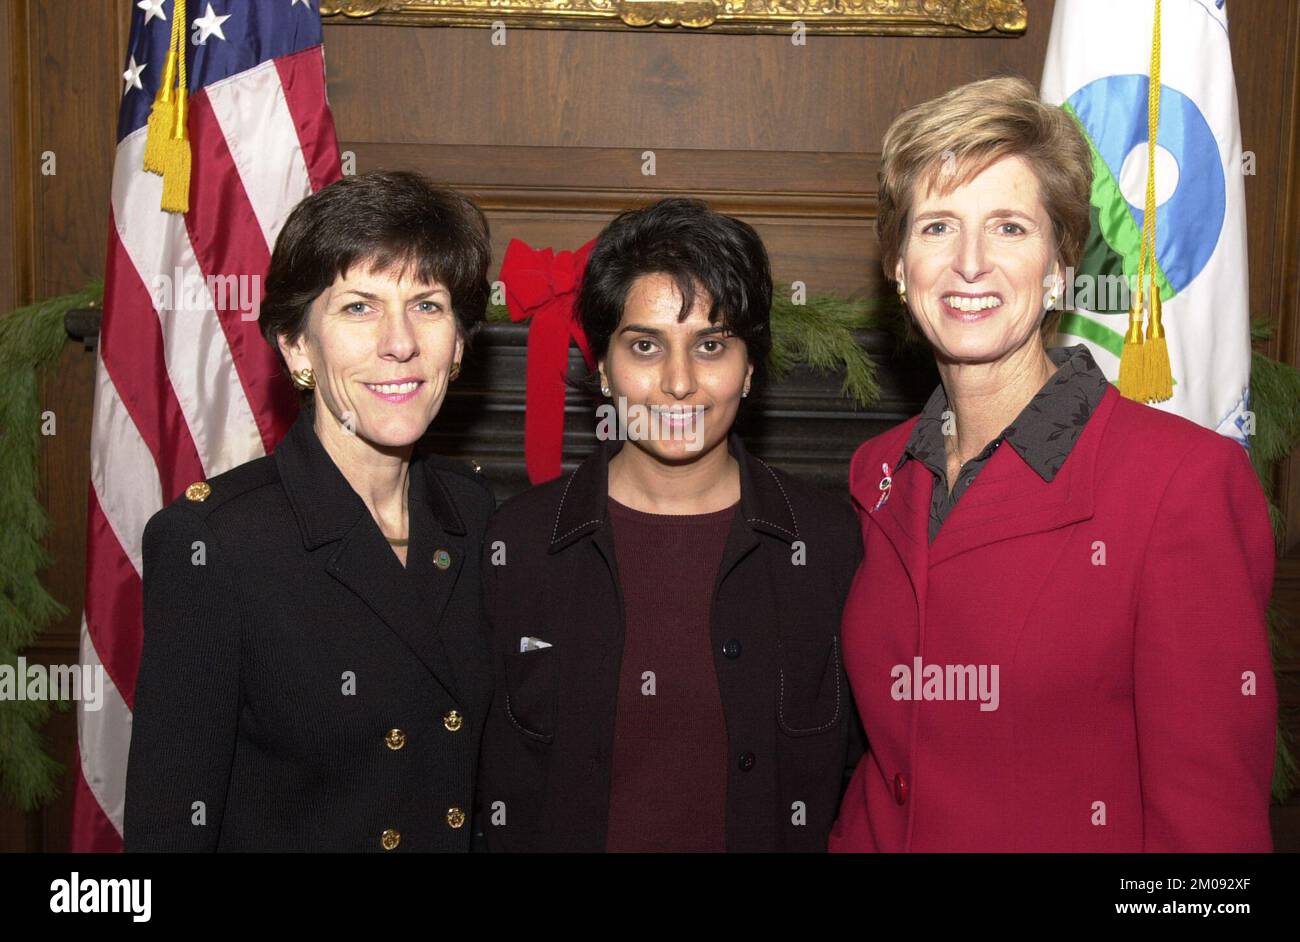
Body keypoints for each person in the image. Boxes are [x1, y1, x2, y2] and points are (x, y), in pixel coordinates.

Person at [831, 76, 1277, 852]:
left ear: (1062, 267)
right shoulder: (878, 475)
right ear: (899, 267)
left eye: (1008, 227)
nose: (969, 263)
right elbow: (888, 768)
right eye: (936, 227)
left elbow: (1211, 839)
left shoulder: (1180, 485)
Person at [476, 197, 863, 852]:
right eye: (646, 346)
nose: (679, 383)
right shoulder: (517, 545)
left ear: (750, 368)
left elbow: (860, 780)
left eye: (710, 345)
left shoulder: (830, 546)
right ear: (601, 367)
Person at [125, 171, 496, 851]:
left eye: (428, 305)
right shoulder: (215, 546)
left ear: (460, 344)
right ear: (298, 346)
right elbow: (168, 835)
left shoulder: (474, 515)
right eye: (359, 307)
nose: (400, 342)